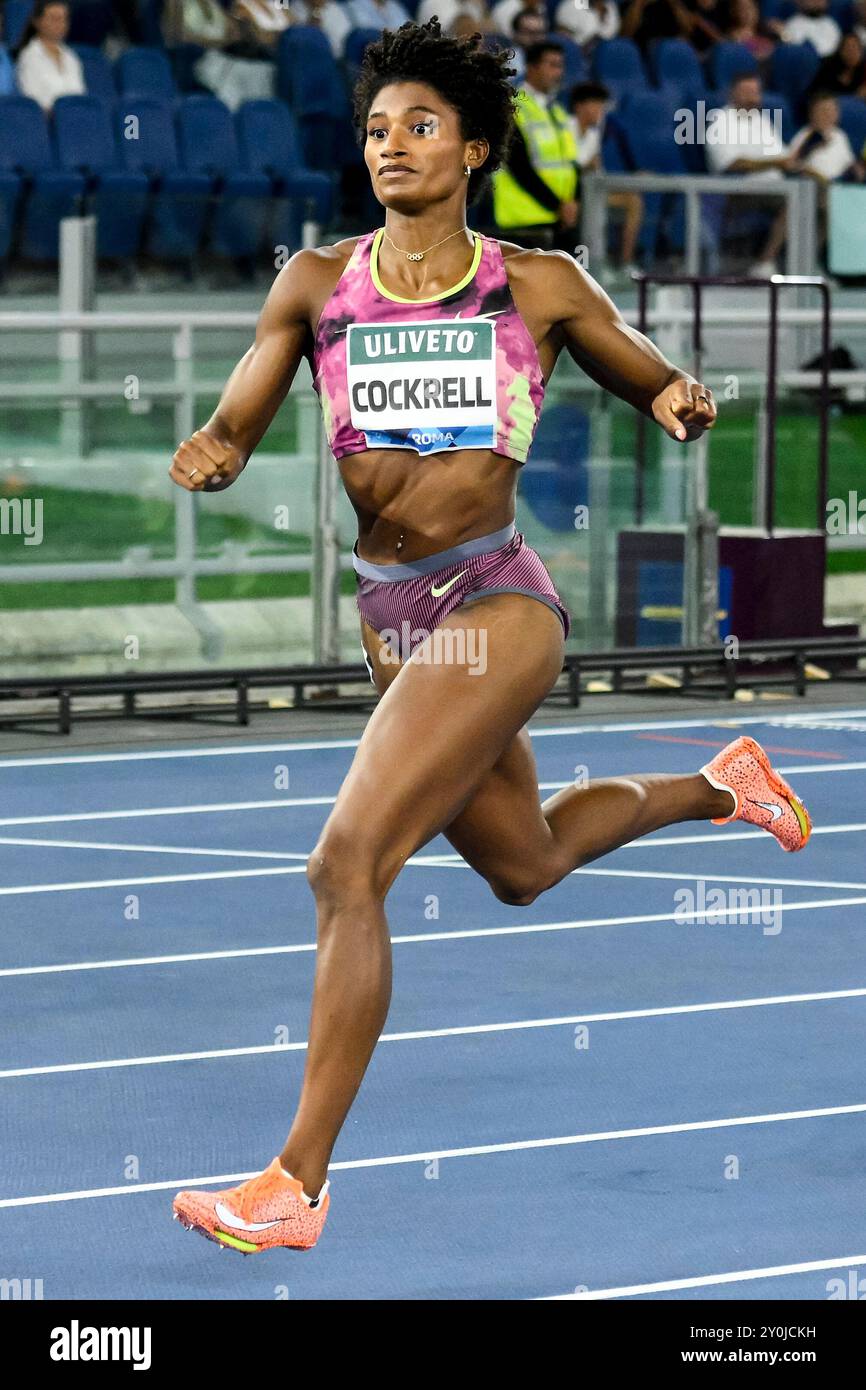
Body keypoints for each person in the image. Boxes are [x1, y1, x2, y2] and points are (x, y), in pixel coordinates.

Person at [168, 19, 811, 1254]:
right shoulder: (314, 282)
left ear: (470, 149)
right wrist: (216, 447)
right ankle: (721, 785)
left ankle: (293, 1182)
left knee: (342, 864)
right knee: (521, 865)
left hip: (496, 603)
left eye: (419, 126)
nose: (390, 145)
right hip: (391, 620)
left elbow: (647, 373)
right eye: (373, 128)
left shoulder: (537, 282)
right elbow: (237, 413)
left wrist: (676, 397)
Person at [704, 71, 798, 276]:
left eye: (755, 92)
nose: (752, 98)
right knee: (797, 201)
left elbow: (783, 156)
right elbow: (731, 164)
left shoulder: (760, 119)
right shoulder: (720, 121)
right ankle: (765, 262)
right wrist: (776, 163)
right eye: (746, 92)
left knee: (821, 200)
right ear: (732, 94)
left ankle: (808, 263)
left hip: (774, 187)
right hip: (738, 189)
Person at [493, 40, 580, 248]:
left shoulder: (557, 112)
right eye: (552, 65)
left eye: (560, 65)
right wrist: (559, 205)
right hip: (523, 223)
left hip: (559, 221)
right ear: (531, 67)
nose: (558, 72)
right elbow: (519, 166)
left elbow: (571, 164)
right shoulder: (513, 108)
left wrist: (572, 203)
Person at [570, 79, 643, 272]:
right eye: (596, 105)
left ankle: (625, 264)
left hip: (591, 195)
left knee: (633, 201)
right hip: (570, 196)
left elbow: (597, 173)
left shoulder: (594, 135)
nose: (600, 111)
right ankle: (595, 265)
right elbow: (566, 169)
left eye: (602, 106)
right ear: (579, 106)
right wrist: (586, 167)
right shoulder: (565, 129)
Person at [15, 0, 85, 113]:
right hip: (46, 123)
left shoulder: (71, 57)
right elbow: (32, 101)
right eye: (54, 18)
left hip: (75, 119)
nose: (60, 24)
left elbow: (80, 94)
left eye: (64, 18)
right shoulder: (30, 56)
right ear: (37, 21)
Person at [767, 0, 842, 60]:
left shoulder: (831, 25)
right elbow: (789, 43)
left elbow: (830, 50)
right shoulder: (793, 22)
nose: (815, 2)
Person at [809, 32, 866, 98]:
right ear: (840, 51)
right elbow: (817, 94)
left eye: (856, 48)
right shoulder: (828, 68)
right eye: (848, 48)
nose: (852, 53)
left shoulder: (863, 69)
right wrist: (855, 96)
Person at [554, 0, 620, 48]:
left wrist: (601, 17)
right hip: (578, 52)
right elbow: (562, 37)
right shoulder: (570, 5)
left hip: (601, 53)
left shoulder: (610, 6)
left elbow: (611, 34)